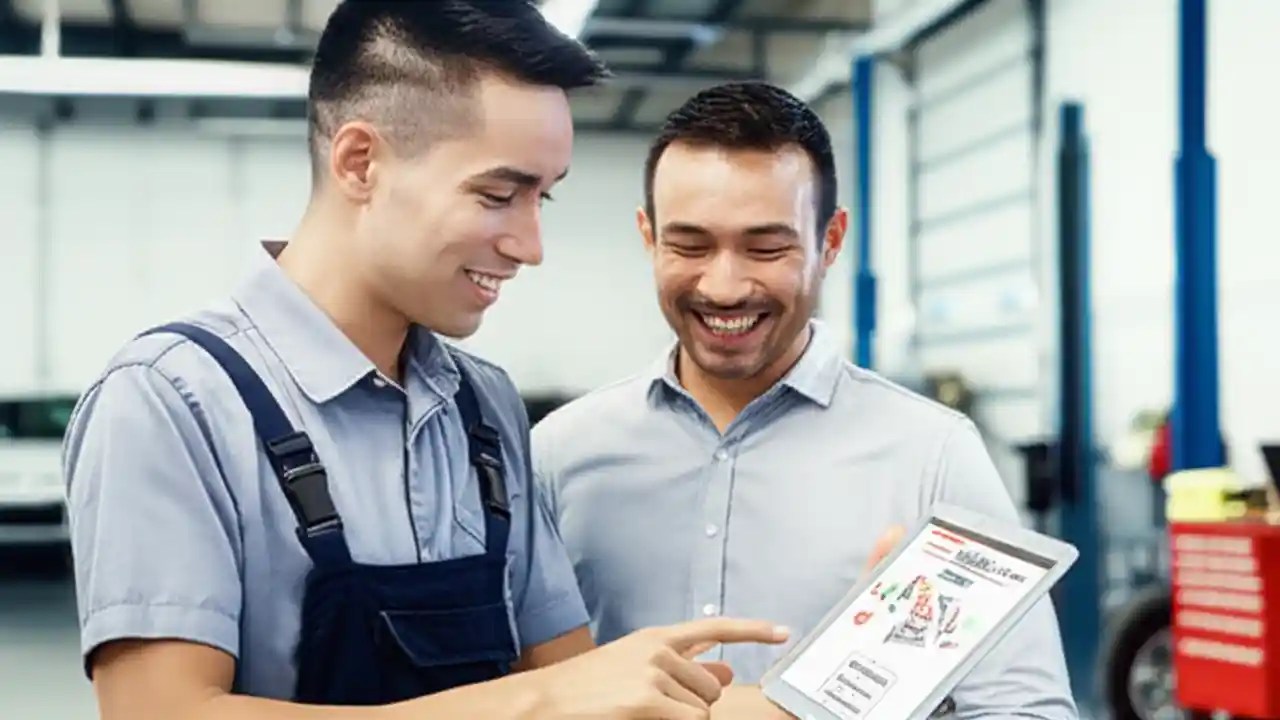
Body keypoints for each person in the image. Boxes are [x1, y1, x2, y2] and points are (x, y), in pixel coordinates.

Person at [61, 4, 791, 719]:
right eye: (499, 194)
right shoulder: (169, 402)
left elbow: (581, 683)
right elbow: (159, 712)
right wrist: (534, 701)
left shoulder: (484, 406)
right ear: (360, 162)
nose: (530, 245)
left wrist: (859, 680)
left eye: (543, 198)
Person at [531, 82, 1079, 719]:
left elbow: (1027, 710)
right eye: (690, 246)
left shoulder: (932, 456)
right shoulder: (559, 454)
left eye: (767, 248)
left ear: (831, 240)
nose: (725, 285)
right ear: (648, 237)